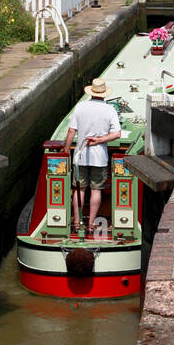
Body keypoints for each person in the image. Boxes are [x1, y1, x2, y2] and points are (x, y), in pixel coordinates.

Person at [63, 78, 122, 238]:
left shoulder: (80, 107)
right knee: (96, 189)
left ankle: (76, 223)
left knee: (79, 189)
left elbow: (71, 131)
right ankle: (90, 225)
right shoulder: (110, 110)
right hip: (99, 157)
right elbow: (117, 134)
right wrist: (100, 140)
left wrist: (66, 151)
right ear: (104, 94)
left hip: (80, 157)